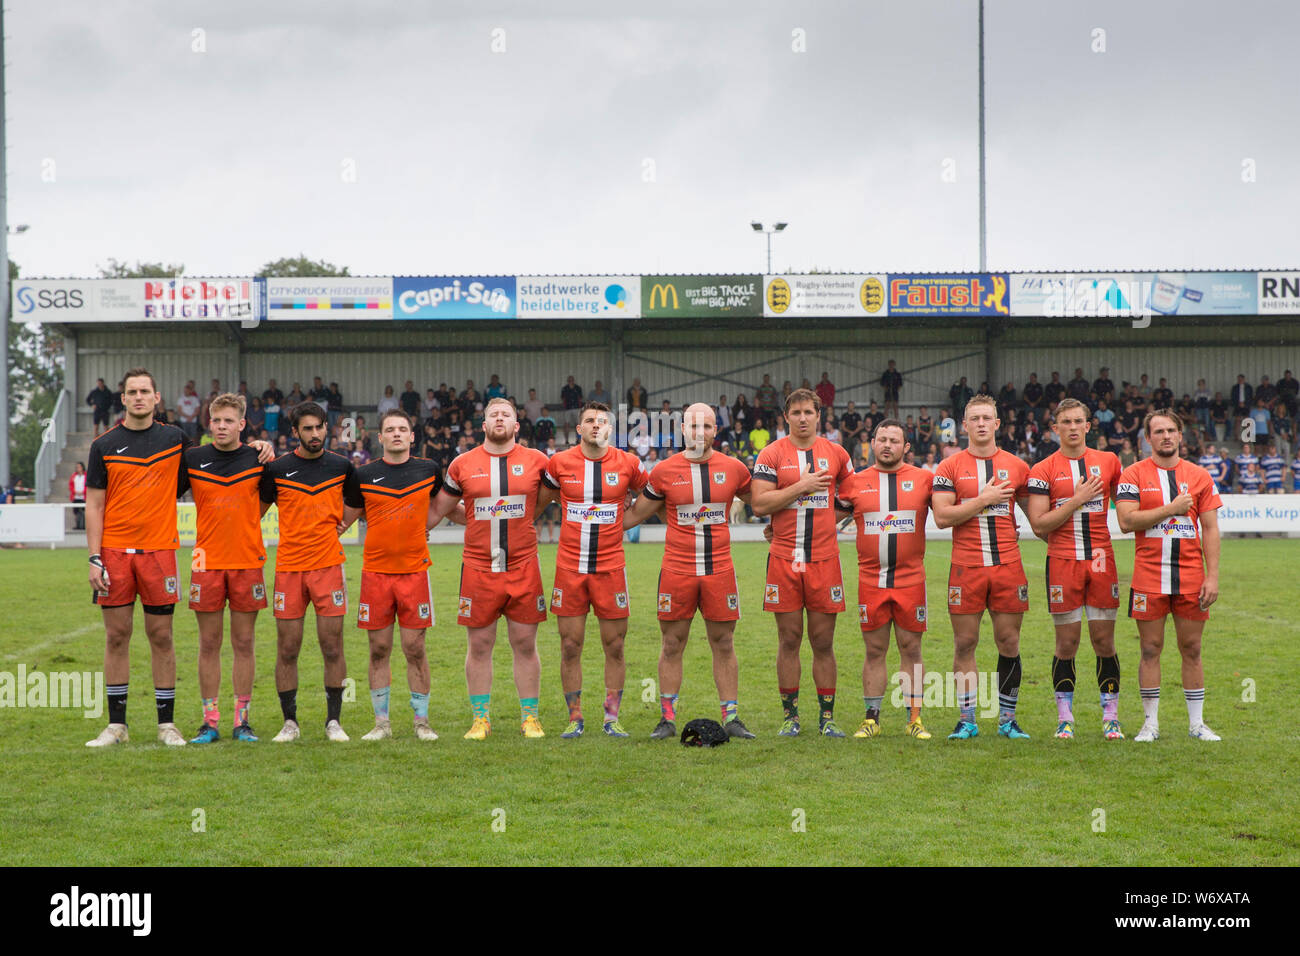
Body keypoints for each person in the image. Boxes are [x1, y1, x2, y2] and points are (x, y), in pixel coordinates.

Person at [84, 368, 270, 748]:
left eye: (145, 391)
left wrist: (261, 447)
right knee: (117, 636)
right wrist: (93, 556)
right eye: (131, 391)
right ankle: (116, 725)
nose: (138, 397)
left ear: (157, 398)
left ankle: (167, 725)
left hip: (161, 552)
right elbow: (94, 504)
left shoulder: (176, 441)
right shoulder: (103, 444)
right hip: (115, 552)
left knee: (163, 636)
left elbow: (227, 459)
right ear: (123, 398)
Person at [623, 403, 757, 740]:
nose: (700, 433)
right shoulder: (664, 471)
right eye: (694, 426)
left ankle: (732, 717)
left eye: (707, 427)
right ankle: (667, 719)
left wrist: (780, 525)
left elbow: (764, 501)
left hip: (720, 571)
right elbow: (634, 515)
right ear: (683, 429)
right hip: (676, 571)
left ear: (716, 431)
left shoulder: (735, 469)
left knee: (724, 643)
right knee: (671, 644)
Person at [432, 397, 550, 740]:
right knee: (479, 645)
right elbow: (442, 508)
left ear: (517, 426)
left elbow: (543, 501)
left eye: (506, 415)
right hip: (479, 568)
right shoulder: (462, 464)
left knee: (525, 644)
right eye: (493, 415)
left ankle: (530, 718)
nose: (500, 418)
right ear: (483, 426)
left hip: (524, 565)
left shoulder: (537, 461)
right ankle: (480, 719)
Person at [750, 388, 854, 737]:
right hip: (784, 558)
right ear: (786, 417)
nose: (803, 418)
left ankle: (827, 719)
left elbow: (853, 498)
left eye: (808, 412)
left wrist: (827, 517)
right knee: (789, 639)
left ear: (818, 416)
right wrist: (802, 486)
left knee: (823, 642)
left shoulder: (836, 453)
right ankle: (790, 717)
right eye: (796, 413)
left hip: (824, 560)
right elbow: (760, 504)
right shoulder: (771, 453)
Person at [1115, 410, 1222, 742]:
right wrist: (1172, 509)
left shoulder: (1199, 476)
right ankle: (1150, 724)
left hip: (1191, 576)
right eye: (1158, 431)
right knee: (1150, 648)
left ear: (1180, 436)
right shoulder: (1132, 475)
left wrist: (1213, 576)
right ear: (1147, 438)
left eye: (1171, 430)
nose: (1165, 436)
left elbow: (1210, 528)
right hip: (1149, 576)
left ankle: (1196, 724)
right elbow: (1126, 521)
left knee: (1191, 647)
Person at [931, 394, 1032, 740]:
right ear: (964, 425)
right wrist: (982, 500)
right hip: (966, 566)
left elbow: (1040, 518)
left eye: (987, 418)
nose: (981, 424)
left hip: (1007, 565)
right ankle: (967, 719)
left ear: (997, 424)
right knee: (965, 644)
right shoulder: (949, 467)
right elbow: (942, 517)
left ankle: (1007, 720)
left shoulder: (1018, 467)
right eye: (974, 418)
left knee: (1009, 641)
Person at [1025, 399, 1125, 741]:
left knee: (1103, 640)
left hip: (1100, 559)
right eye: (1064, 421)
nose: (1071, 426)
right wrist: (1076, 500)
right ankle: (1064, 718)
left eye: (1077, 421)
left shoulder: (1109, 462)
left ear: (1088, 425)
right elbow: (1039, 524)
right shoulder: (1042, 469)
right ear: (1055, 428)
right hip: (1063, 559)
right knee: (1066, 643)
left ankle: (1111, 716)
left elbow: (1128, 507)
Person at [546, 402, 648, 737]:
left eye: (602, 421)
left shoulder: (628, 463)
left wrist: (627, 520)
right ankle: (575, 718)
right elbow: (536, 504)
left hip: (610, 568)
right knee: (570, 645)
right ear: (578, 429)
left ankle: (610, 717)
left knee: (615, 645)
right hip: (569, 568)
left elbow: (653, 495)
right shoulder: (559, 463)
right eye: (589, 420)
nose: (595, 425)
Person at [340, 411, 442, 742]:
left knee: (415, 647)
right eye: (389, 430)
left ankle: (421, 722)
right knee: (378, 648)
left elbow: (446, 507)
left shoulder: (428, 470)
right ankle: (381, 723)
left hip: (414, 573)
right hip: (375, 575)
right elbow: (344, 520)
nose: (396, 434)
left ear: (412, 436)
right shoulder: (363, 475)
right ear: (379, 437)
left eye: (402, 429)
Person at [260, 402, 355, 742]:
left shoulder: (342, 466)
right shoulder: (277, 469)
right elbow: (256, 510)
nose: (315, 434)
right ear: (295, 432)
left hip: (329, 567)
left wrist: (343, 524)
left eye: (319, 427)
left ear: (326, 428)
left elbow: (357, 501)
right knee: (288, 648)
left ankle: (334, 722)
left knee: (332, 646)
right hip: (289, 569)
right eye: (308, 429)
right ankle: (290, 723)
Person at [834, 419, 933, 740]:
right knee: (874, 650)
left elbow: (949, 513)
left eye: (894, 440)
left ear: (906, 447)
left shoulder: (924, 480)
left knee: (911, 649)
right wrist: (779, 529)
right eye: (882, 439)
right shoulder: (854, 483)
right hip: (871, 581)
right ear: (872, 444)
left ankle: (914, 719)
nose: (887, 445)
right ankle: (871, 719)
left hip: (911, 581)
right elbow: (824, 520)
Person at [185, 393, 268, 744]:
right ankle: (210, 721)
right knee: (208, 643)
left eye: (228, 420)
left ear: (241, 424)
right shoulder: (192, 459)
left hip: (247, 562)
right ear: (209, 422)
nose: (221, 426)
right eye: (215, 420)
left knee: (245, 642)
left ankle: (241, 721)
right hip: (206, 564)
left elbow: (265, 502)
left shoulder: (259, 458)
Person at [69, 462, 87, 530]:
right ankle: (77, 525)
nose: (78, 468)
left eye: (79, 467)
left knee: (83, 511)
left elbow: (87, 485)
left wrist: (83, 492)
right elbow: (71, 485)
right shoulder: (74, 475)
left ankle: (83, 525)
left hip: (83, 496)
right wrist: (75, 492)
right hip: (76, 496)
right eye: (77, 467)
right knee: (76, 512)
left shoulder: (86, 475)